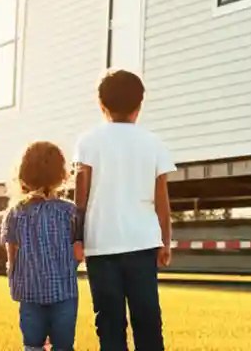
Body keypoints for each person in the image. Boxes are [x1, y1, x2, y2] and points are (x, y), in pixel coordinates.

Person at [74, 69, 175, 351]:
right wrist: (165, 242)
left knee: (109, 324)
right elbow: (162, 201)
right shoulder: (153, 143)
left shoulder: (87, 141)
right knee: (148, 321)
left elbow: (80, 199)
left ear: (101, 104)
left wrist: (77, 239)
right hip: (143, 244)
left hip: (100, 246)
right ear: (139, 106)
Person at [1, 141, 84, 351]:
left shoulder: (15, 213)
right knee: (64, 346)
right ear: (61, 175)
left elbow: (12, 258)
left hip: (30, 295)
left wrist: (15, 283)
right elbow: (78, 254)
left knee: (32, 345)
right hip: (64, 293)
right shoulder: (70, 212)